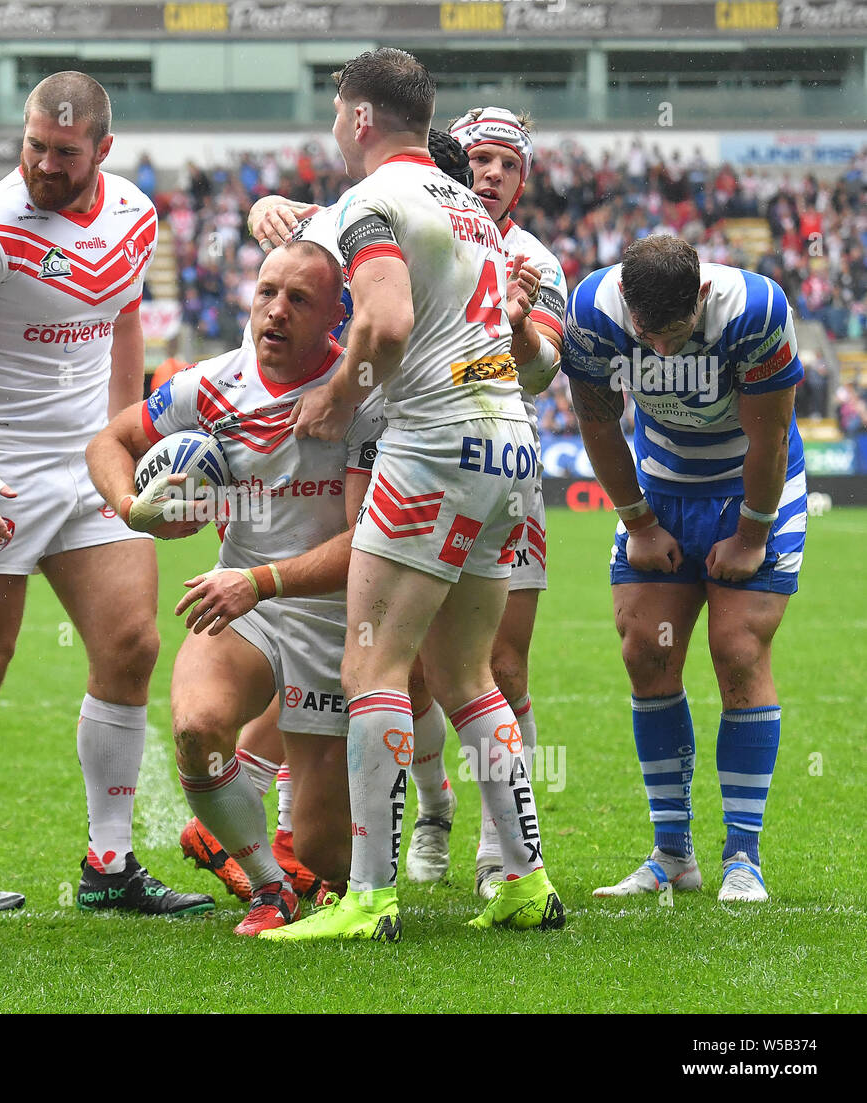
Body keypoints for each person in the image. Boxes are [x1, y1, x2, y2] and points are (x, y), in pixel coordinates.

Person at [266, 48, 565, 942]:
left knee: (373, 668)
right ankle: (523, 879)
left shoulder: (373, 201)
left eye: (336, 113)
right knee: (469, 676)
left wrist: (337, 394)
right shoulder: (467, 204)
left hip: (431, 444)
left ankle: (367, 895)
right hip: (509, 445)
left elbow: (386, 320)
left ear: (358, 119)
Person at [0, 71, 212, 916]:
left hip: (86, 468)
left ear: (102, 150)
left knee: (131, 644)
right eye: (34, 145)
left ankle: (109, 864)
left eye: (63, 152)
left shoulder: (136, 215)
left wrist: (127, 438)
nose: (43, 162)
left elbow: (122, 316)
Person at [178, 128, 476, 906]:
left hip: (452, 448)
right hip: (391, 448)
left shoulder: (489, 250)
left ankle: (442, 809)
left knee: (444, 668)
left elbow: (512, 358)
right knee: (405, 663)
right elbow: (291, 228)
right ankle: (284, 829)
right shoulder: (370, 219)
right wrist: (270, 209)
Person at [87, 240, 384, 935]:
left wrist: (261, 580)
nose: (275, 311)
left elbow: (365, 541)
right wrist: (135, 509)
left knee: (326, 854)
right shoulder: (212, 384)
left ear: (336, 313)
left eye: (298, 299)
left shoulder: (358, 396)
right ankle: (268, 886)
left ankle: (323, 851)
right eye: (265, 293)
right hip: (243, 601)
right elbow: (108, 442)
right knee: (196, 726)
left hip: (334, 615)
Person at [562, 234, 805, 903]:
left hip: (751, 487)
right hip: (662, 486)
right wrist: (640, 521)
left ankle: (743, 856)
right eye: (650, 336)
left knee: (737, 649)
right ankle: (672, 852)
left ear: (701, 294)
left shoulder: (756, 310)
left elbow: (771, 436)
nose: (662, 352)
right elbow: (597, 419)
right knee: (646, 651)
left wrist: (752, 535)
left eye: (675, 334)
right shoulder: (592, 312)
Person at [393, 107, 568, 894]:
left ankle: (504, 851)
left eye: (507, 164)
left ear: (523, 181)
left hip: (504, 472)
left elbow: (540, 374)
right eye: (481, 159)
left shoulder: (537, 259)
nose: (492, 173)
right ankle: (433, 810)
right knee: (411, 671)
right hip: (413, 457)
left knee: (503, 666)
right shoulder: (418, 226)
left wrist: (521, 325)